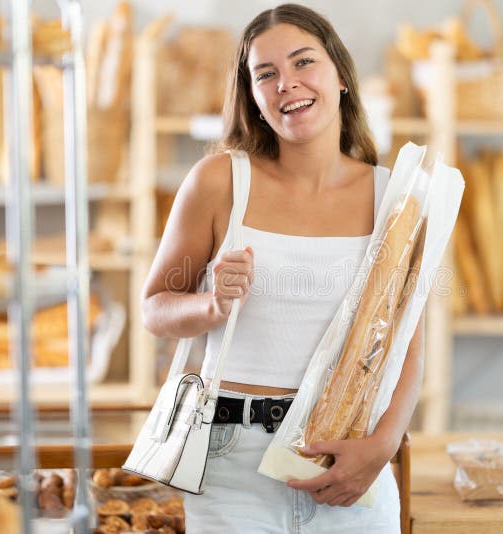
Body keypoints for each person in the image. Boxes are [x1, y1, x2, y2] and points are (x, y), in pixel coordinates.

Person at [141, 3, 424, 532]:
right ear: (252, 97)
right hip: (232, 469)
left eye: (302, 63)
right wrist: (210, 305)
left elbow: (408, 343)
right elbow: (155, 309)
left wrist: (381, 448)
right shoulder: (219, 182)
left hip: (349, 461)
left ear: (339, 74)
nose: (286, 84)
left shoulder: (396, 197)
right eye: (265, 74)